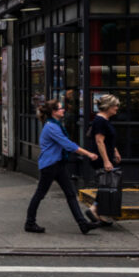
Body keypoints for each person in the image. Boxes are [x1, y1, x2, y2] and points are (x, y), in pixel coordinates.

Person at [25, 99, 100, 234]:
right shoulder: (51, 127)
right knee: (40, 194)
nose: (63, 109)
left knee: (71, 194)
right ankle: (29, 223)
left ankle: (83, 224)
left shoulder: (55, 125)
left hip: (57, 164)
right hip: (50, 165)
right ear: (54, 112)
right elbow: (68, 145)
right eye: (60, 108)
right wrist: (88, 154)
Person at [87, 94, 122, 225]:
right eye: (115, 105)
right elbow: (99, 141)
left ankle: (100, 212)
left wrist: (115, 151)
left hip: (106, 155)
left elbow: (109, 140)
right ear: (108, 107)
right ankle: (94, 208)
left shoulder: (105, 120)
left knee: (106, 184)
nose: (117, 108)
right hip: (101, 157)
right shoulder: (100, 121)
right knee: (106, 184)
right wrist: (106, 161)